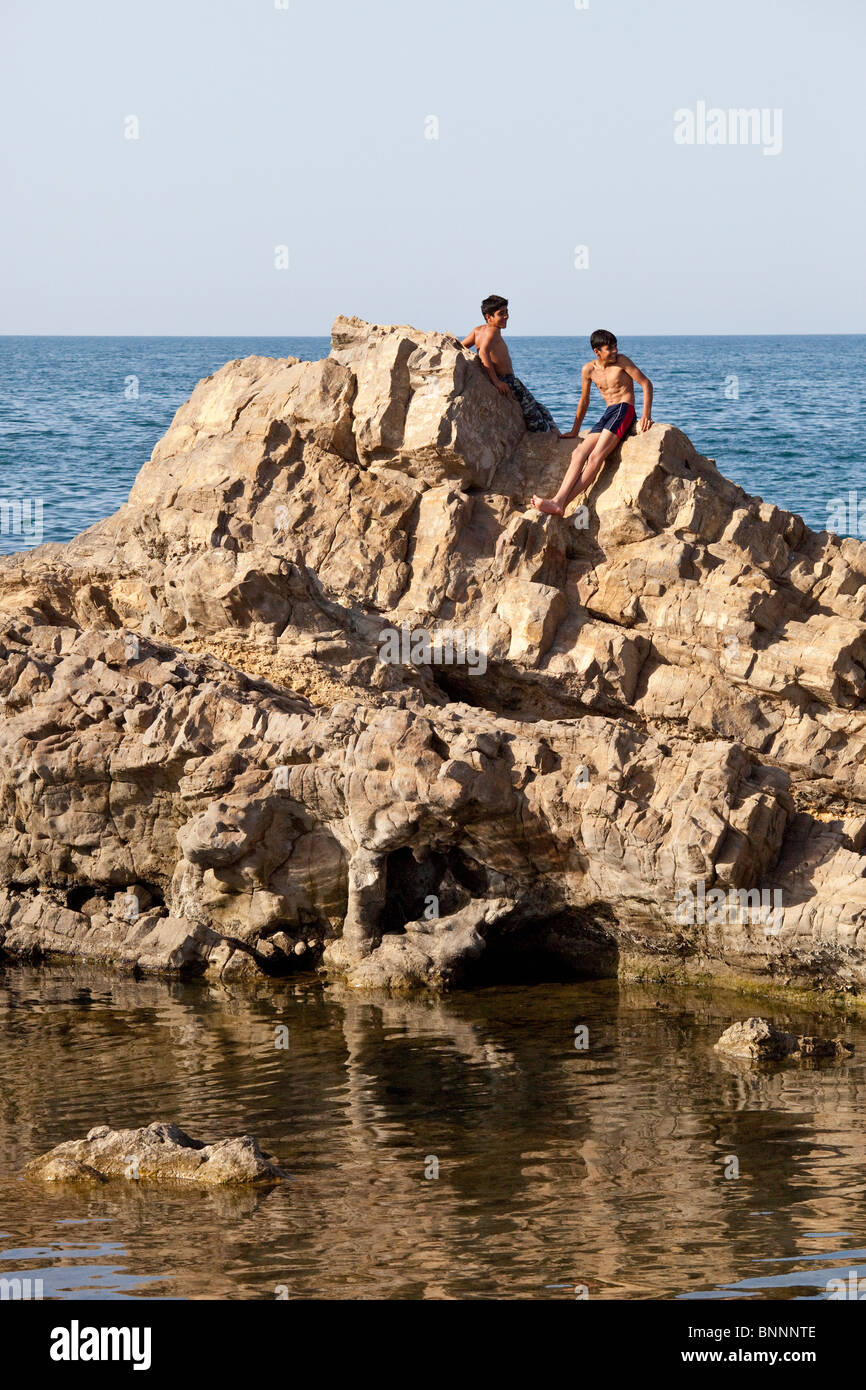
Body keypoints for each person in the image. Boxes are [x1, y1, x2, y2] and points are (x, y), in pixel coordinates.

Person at [531, 329, 653, 515]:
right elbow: (584, 401)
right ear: (597, 351)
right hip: (608, 413)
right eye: (609, 348)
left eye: (615, 347)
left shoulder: (622, 361)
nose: (614, 351)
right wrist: (574, 430)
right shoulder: (588, 369)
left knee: (596, 457)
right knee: (579, 453)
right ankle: (557, 500)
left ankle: (561, 503)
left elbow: (646, 383)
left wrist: (646, 415)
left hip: (624, 410)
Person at [462, 295, 560, 435]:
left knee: (540, 408)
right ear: (489, 317)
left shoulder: (478, 330)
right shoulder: (493, 331)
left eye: (506, 312)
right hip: (507, 380)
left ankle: (557, 434)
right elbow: (483, 352)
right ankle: (548, 439)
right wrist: (496, 382)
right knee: (534, 415)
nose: (506, 316)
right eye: (501, 314)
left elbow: (461, 347)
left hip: (507, 379)